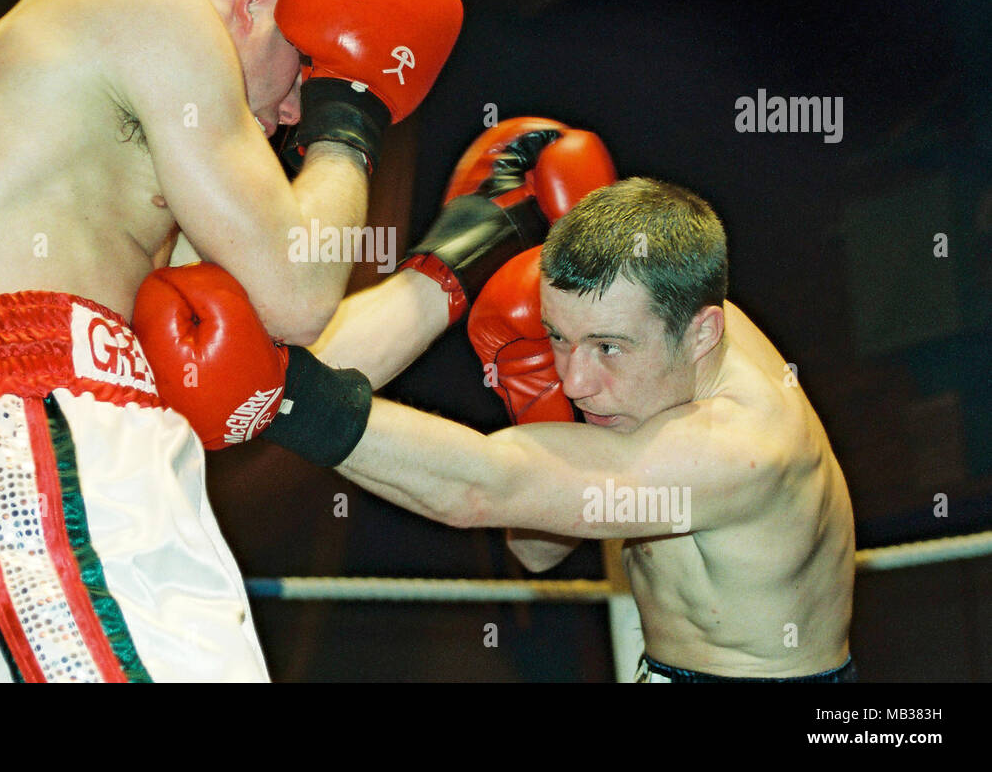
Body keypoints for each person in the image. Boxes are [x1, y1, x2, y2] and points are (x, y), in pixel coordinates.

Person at [0, 0, 462, 682]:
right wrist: (351, 112)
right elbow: (300, 289)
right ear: (255, 2)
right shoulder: (158, 5)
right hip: (20, 432)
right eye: (303, 70)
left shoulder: (116, 162)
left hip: (32, 440)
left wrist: (455, 266)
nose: (289, 114)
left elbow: (286, 368)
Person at [142, 165, 857, 682]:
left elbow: (482, 487)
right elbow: (540, 550)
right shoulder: (658, 338)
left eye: (607, 347)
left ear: (703, 334)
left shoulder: (742, 448)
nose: (575, 380)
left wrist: (287, 393)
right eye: (557, 339)